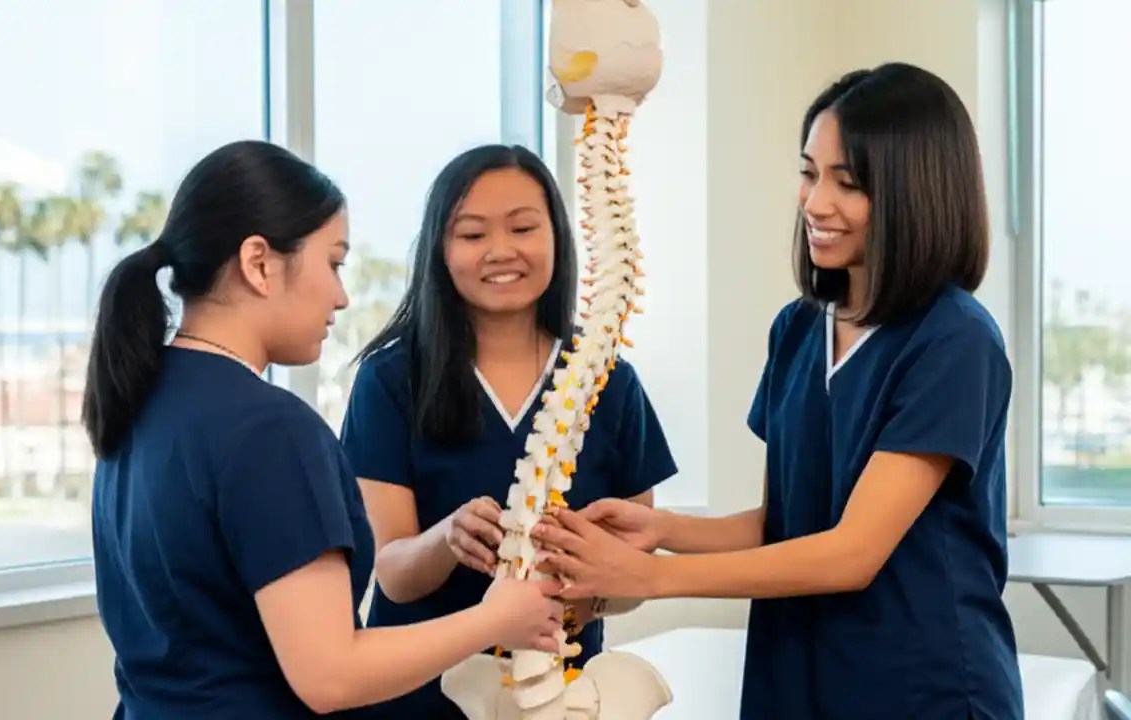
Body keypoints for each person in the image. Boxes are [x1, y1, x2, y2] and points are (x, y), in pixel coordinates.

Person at [531, 64, 1026, 719]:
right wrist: (663, 529)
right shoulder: (797, 330)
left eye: (847, 183)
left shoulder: (955, 341)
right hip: (796, 677)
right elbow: (782, 524)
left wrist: (655, 578)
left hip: (921, 687)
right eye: (809, 173)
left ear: (917, 191)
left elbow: (852, 552)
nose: (815, 203)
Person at [83, 140, 565, 719]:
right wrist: (498, 617)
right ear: (260, 263)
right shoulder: (270, 430)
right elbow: (331, 675)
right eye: (333, 263)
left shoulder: (143, 397)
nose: (341, 295)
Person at [340, 144, 678, 717]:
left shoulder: (609, 382)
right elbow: (392, 573)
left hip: (557, 700)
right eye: (472, 235)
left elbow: (635, 576)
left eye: (523, 227)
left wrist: (587, 587)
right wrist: (447, 539)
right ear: (440, 251)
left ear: (557, 237)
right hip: (416, 699)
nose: (501, 251)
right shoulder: (391, 380)